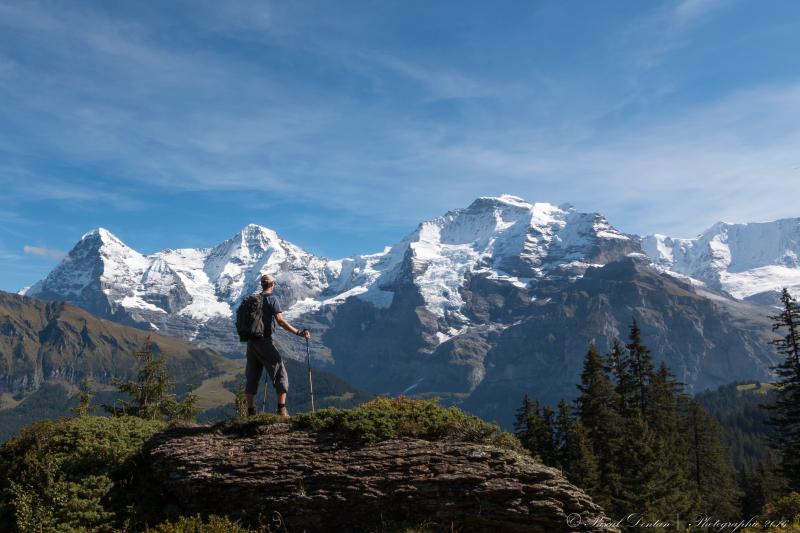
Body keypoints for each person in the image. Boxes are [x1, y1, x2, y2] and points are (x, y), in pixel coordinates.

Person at [245, 274, 310, 418]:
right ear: (272, 284)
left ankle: (250, 412)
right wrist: (298, 332)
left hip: (251, 343)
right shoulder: (271, 299)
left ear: (262, 285)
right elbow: (280, 321)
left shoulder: (253, 300)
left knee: (252, 375)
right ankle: (281, 410)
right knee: (280, 373)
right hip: (264, 341)